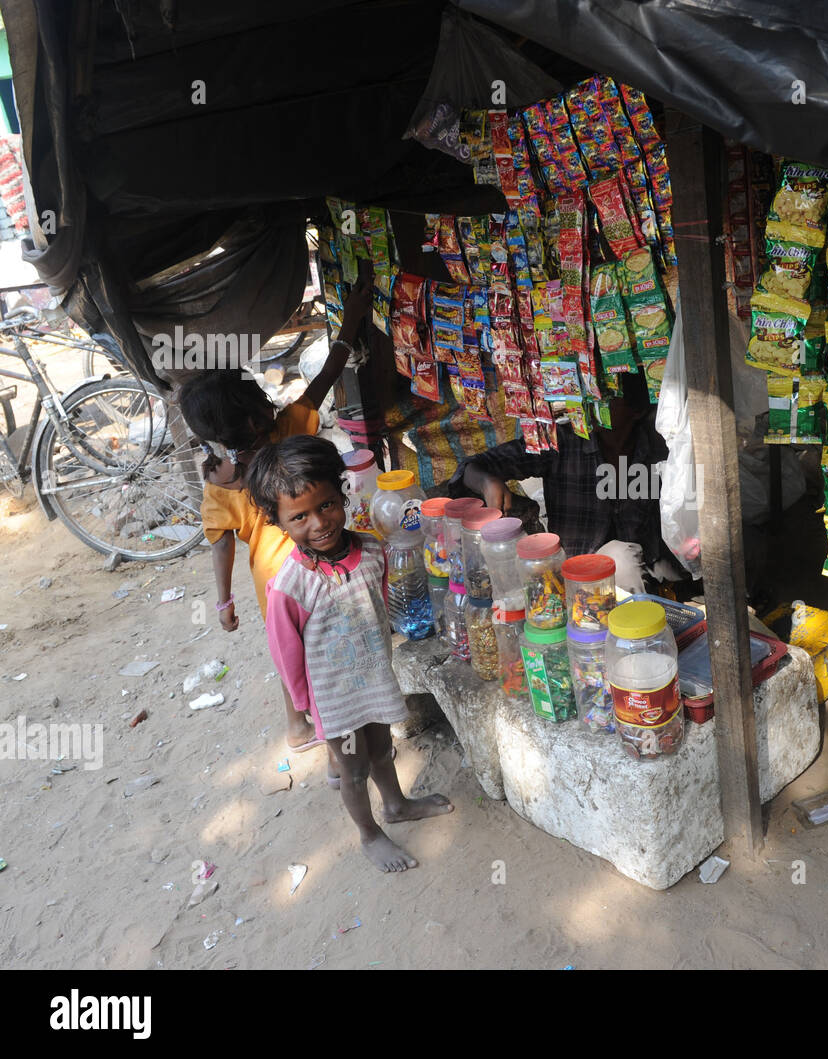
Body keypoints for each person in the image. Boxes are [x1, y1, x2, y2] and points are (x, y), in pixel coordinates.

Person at [177, 265, 372, 754]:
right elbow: (327, 376)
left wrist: (224, 601)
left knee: (292, 656)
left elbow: (219, 545)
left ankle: (297, 728)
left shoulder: (217, 481)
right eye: (259, 397)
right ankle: (335, 743)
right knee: (322, 655)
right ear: (252, 416)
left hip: (273, 588)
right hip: (313, 571)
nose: (269, 398)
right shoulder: (289, 430)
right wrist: (348, 326)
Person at [246, 435, 453, 873]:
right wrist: (304, 707)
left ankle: (395, 805)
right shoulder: (290, 585)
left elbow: (382, 604)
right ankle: (369, 834)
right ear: (279, 522)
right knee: (353, 769)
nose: (318, 523)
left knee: (382, 748)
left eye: (325, 505)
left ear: (341, 494)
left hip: (374, 678)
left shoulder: (373, 550)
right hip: (334, 698)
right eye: (299, 516)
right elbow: (285, 653)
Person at [455, 371, 677, 593]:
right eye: (590, 396)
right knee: (622, 560)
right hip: (578, 578)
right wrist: (487, 482)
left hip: (648, 566)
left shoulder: (655, 449)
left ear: (636, 411)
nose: (592, 405)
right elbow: (472, 467)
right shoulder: (563, 441)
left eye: (606, 399)